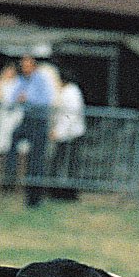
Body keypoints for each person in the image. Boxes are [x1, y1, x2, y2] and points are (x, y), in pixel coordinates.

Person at [3, 54, 55, 207]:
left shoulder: (41, 79)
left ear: (33, 66)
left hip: (39, 121)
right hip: (27, 120)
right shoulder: (22, 80)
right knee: (14, 136)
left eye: (26, 65)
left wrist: (28, 99)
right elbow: (13, 98)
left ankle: (34, 198)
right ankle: (10, 171)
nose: (23, 68)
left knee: (36, 160)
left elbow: (46, 100)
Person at [47, 68, 86, 200]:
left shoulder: (71, 92)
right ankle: (59, 192)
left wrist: (58, 132)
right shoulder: (67, 91)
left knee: (67, 164)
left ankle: (67, 193)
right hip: (66, 134)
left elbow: (69, 115)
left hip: (70, 135)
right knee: (63, 164)